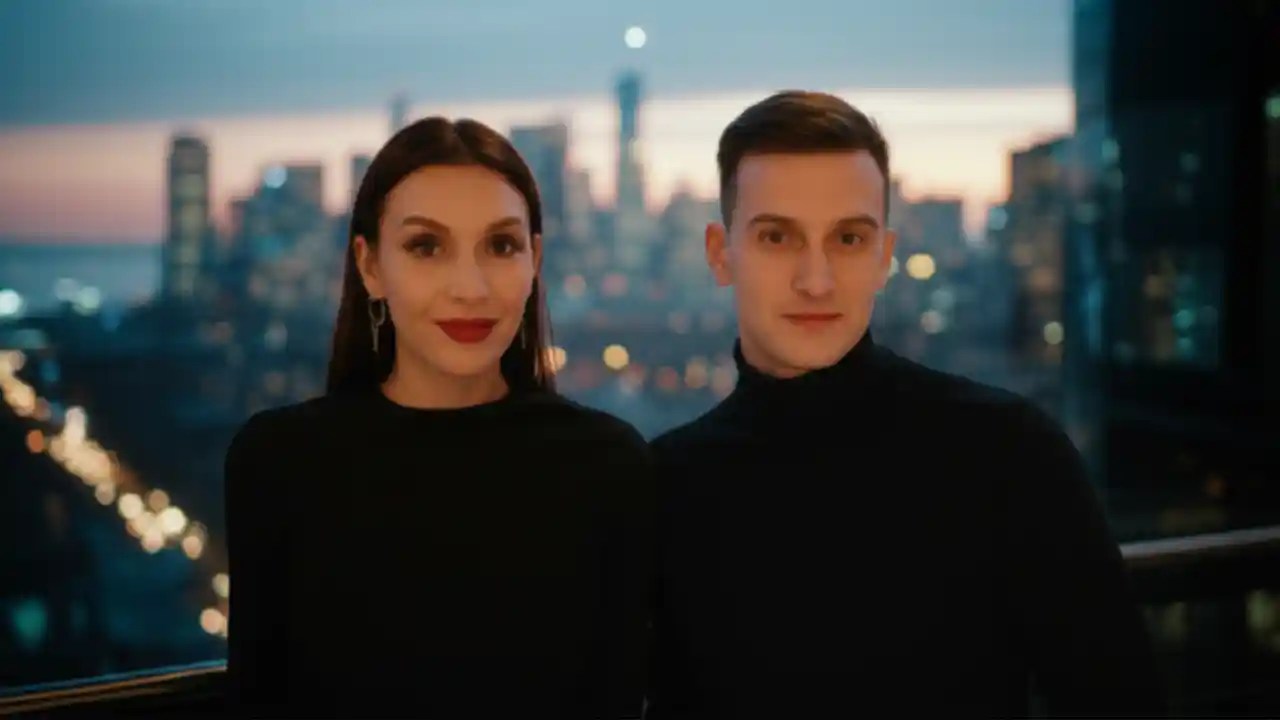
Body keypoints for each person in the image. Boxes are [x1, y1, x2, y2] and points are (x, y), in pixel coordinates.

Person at [643, 92, 1165, 718]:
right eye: (777, 236)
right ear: (719, 253)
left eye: (849, 238)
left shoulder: (1009, 454)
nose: (816, 280)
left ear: (884, 256)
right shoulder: (665, 483)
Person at [224, 116, 655, 718]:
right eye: (426, 246)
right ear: (370, 266)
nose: (469, 287)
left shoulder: (608, 466)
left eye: (501, 246)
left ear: (534, 260)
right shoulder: (281, 461)